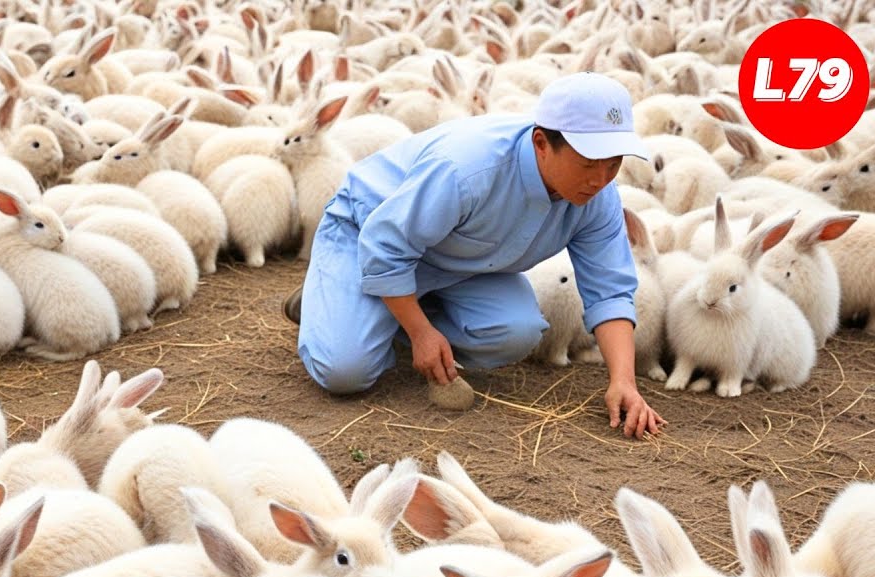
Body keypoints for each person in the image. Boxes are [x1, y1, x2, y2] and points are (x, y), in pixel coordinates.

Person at [283, 71, 666, 440]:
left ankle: (365, 311)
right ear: (541, 143)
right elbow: (386, 245)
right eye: (587, 163)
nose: (599, 179)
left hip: (456, 264)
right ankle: (335, 302)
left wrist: (623, 382)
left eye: (613, 164)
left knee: (517, 332)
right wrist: (421, 333)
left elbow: (610, 289)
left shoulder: (598, 197)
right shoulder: (467, 169)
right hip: (368, 234)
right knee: (345, 372)